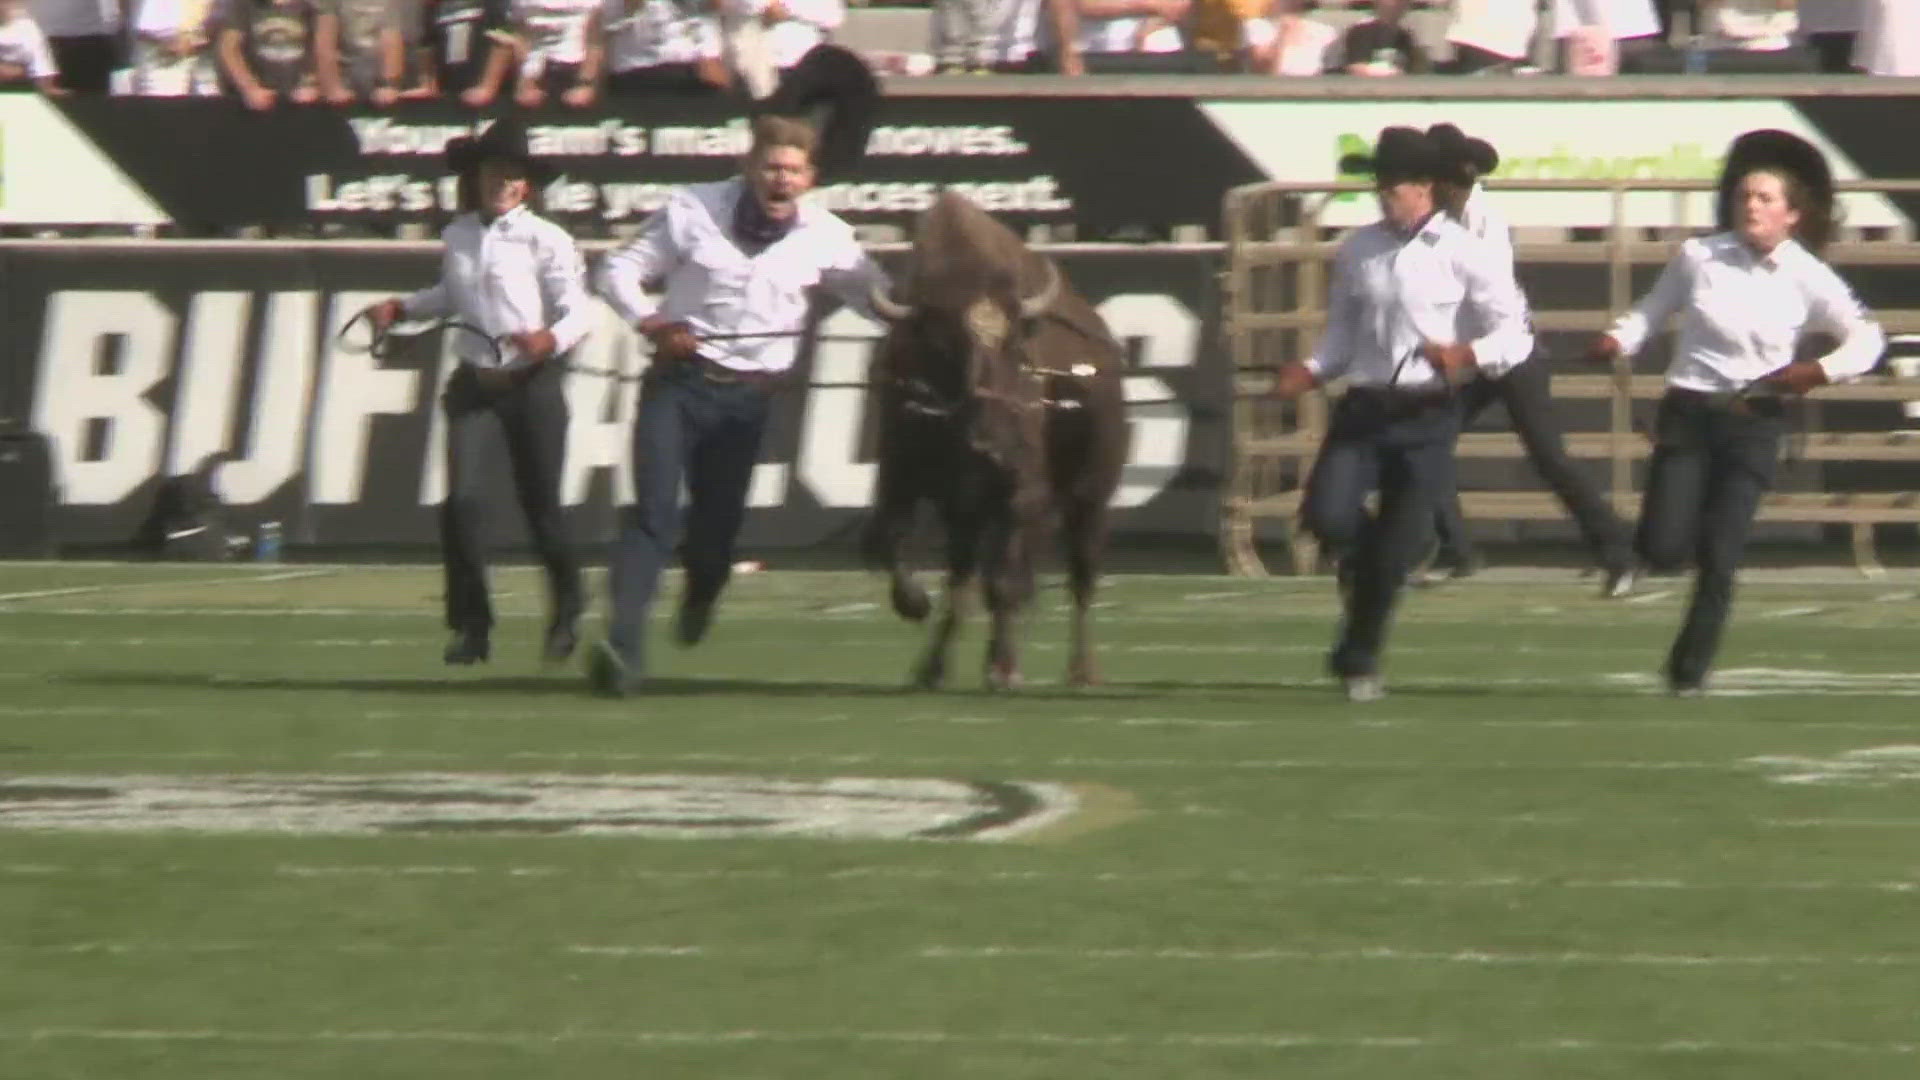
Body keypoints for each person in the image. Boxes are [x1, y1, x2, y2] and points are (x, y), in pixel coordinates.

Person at [587, 113, 890, 697]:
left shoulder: (827, 235)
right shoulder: (693, 210)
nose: (782, 180)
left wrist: (932, 318)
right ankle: (623, 650)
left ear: (810, 178)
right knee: (651, 514)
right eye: (772, 166)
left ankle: (703, 590)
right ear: (750, 167)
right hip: (679, 383)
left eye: (794, 171)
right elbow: (617, 269)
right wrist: (652, 322)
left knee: (714, 537)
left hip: (748, 402)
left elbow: (878, 299)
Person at [1586, 129, 1884, 695]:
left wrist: (1817, 372)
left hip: (1755, 419)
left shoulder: (1809, 275)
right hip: (1690, 412)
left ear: (1792, 214)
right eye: (1745, 195)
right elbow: (1652, 311)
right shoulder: (1699, 257)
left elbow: (1867, 339)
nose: (1751, 205)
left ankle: (1687, 673)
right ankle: (1644, 553)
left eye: (1766, 198)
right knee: (1666, 547)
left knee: (1721, 557)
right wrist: (1617, 340)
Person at [1268, 126, 1532, 702]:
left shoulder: (1467, 252)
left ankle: (1358, 657)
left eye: (1395, 184)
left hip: (1428, 413)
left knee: (1397, 546)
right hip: (1364, 406)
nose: (1384, 194)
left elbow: (1514, 333)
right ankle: (1369, 572)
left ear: (1425, 188)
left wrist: (1469, 353)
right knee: (1327, 514)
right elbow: (1342, 332)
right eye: (1378, 183)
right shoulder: (1359, 249)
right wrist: (1312, 369)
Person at [363, 118, 591, 666]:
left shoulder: (548, 239)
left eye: (511, 174)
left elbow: (579, 310)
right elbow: (451, 294)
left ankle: (566, 610)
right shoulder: (460, 234)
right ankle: (472, 625)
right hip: (474, 384)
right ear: (478, 176)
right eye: (492, 171)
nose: (500, 182)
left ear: (525, 186)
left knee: (542, 510)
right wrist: (403, 308)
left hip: (530, 382)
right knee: (462, 503)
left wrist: (547, 339)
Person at [1416, 123, 1637, 597]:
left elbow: (1500, 321)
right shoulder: (1435, 224)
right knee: (1422, 442)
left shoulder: (1482, 228)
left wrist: (1462, 351)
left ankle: (1619, 552)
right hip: (1470, 357)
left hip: (1510, 354)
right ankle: (1457, 551)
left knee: (1551, 460)